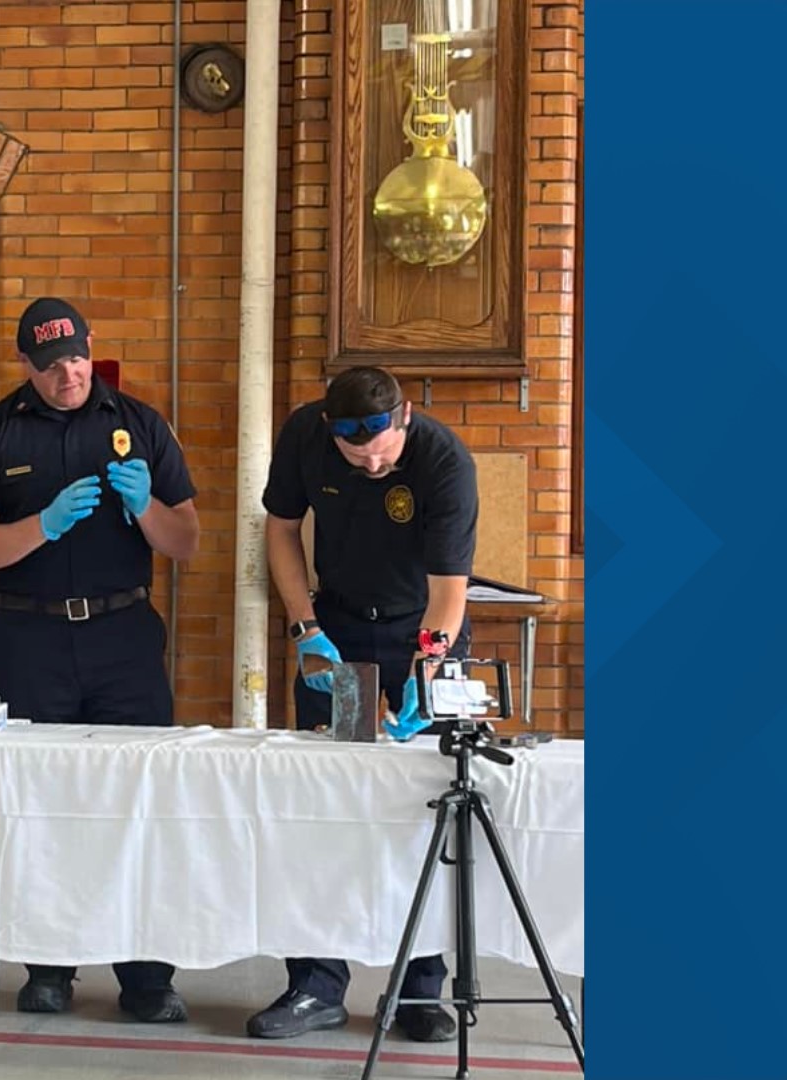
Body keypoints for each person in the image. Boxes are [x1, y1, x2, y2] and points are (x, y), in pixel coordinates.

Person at [0, 297, 201, 1024]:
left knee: (140, 804)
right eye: (52, 365)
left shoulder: (139, 423)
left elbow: (185, 541)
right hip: (31, 640)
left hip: (123, 637)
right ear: (25, 364)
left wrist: (148, 506)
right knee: (41, 805)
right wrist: (44, 524)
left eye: (79, 358)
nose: (69, 375)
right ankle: (48, 967)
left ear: (93, 350)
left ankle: (147, 975)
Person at [249, 365, 478, 1043]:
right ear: (331, 432)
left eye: (381, 454)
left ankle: (416, 993)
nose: (372, 466)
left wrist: (426, 670)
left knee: (423, 811)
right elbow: (282, 529)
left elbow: (448, 589)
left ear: (403, 417)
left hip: (420, 627)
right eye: (357, 458)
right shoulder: (304, 436)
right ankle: (314, 987)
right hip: (340, 630)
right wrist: (304, 629)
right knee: (326, 805)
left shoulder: (442, 461)